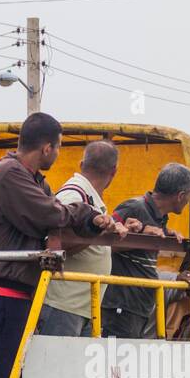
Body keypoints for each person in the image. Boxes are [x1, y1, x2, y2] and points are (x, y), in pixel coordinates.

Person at [0, 112, 127, 378]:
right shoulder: (10, 173)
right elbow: (48, 214)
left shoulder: (34, 180)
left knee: (16, 377)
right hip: (0, 290)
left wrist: (90, 220)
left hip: (13, 290)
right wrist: (89, 215)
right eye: (59, 146)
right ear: (47, 148)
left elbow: (51, 215)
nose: (58, 153)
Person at [102, 162, 190, 339]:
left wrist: (166, 234)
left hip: (138, 307)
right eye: (189, 196)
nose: (188, 200)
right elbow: (102, 244)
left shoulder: (159, 217)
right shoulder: (134, 208)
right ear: (180, 195)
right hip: (121, 307)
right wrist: (139, 232)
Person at [38, 140, 119, 337]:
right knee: (58, 365)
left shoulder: (88, 196)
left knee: (70, 366)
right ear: (114, 171)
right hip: (64, 304)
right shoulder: (74, 194)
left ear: (82, 165)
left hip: (79, 304)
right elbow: (57, 240)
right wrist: (96, 230)